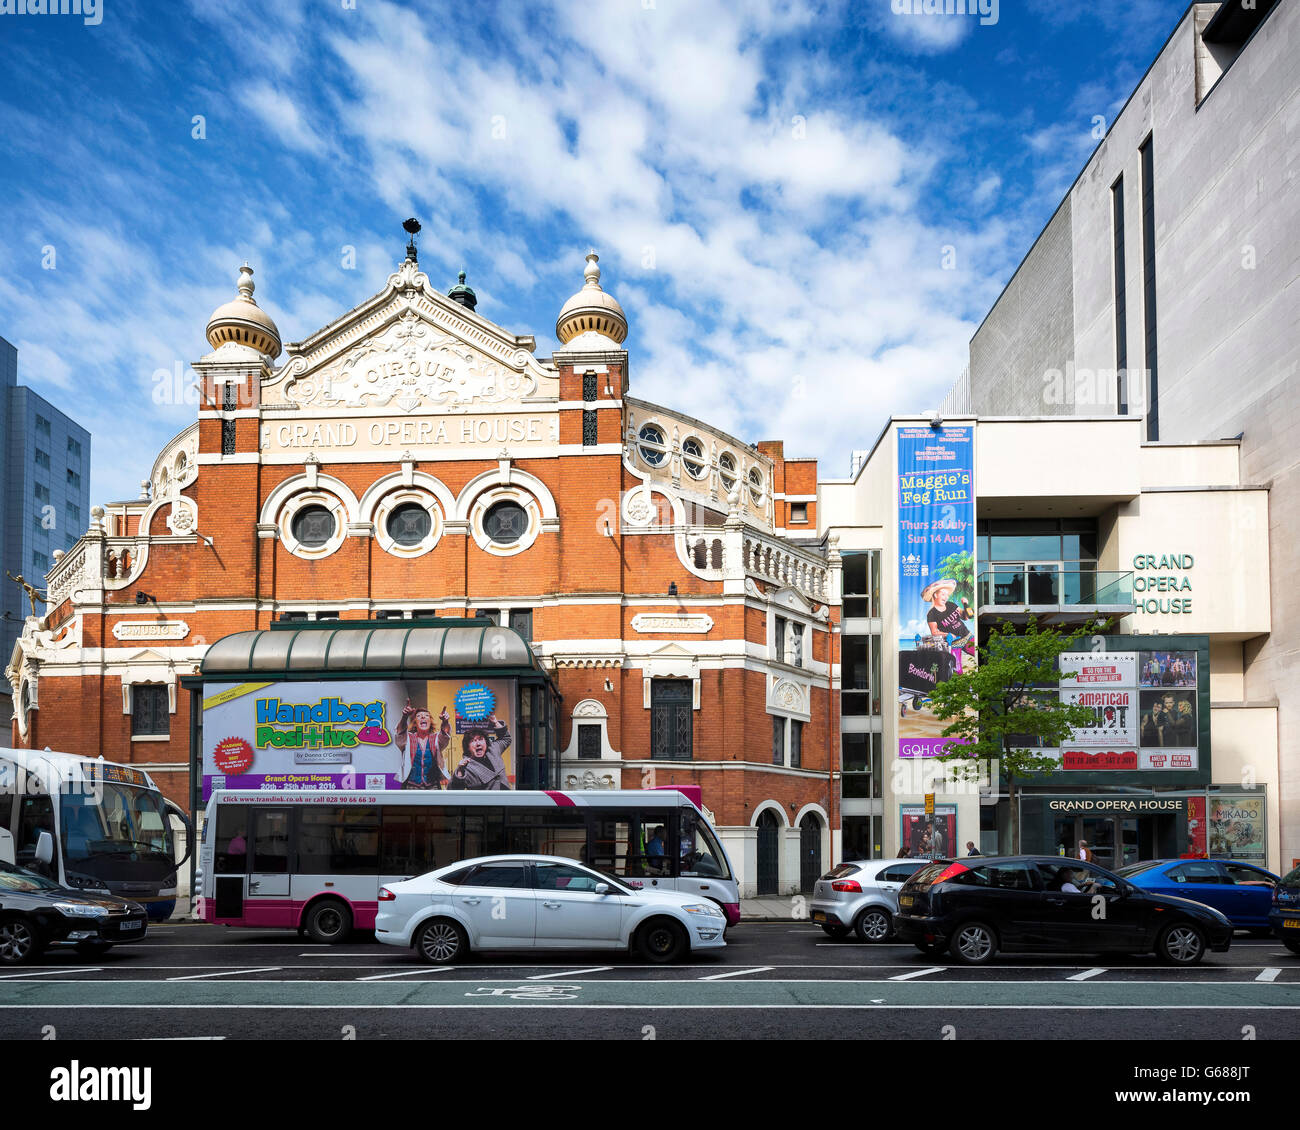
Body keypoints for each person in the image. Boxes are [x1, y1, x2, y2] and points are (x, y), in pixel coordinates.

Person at [921, 578, 976, 673]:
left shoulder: (951, 605)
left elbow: (965, 617)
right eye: (943, 594)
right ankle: (964, 687)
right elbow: (934, 632)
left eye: (947, 595)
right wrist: (947, 634)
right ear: (935, 595)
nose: (946, 597)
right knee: (957, 670)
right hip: (953, 643)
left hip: (967, 636)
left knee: (981, 655)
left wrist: (965, 604)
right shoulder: (932, 614)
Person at [448, 714, 512, 790]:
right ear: (468, 747)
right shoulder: (466, 767)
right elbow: (453, 790)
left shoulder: (493, 750)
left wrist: (495, 722)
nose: (478, 744)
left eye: (480, 739)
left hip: (506, 799)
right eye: (473, 741)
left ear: (486, 742)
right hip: (485, 801)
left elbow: (506, 738)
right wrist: (460, 771)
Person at [396, 703, 451, 789]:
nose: (423, 717)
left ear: (430, 721)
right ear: (415, 723)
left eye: (426, 715)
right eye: (419, 716)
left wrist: (445, 721)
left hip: (433, 786)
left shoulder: (436, 738)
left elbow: (445, 735)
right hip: (411, 786)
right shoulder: (408, 738)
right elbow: (400, 733)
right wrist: (405, 717)